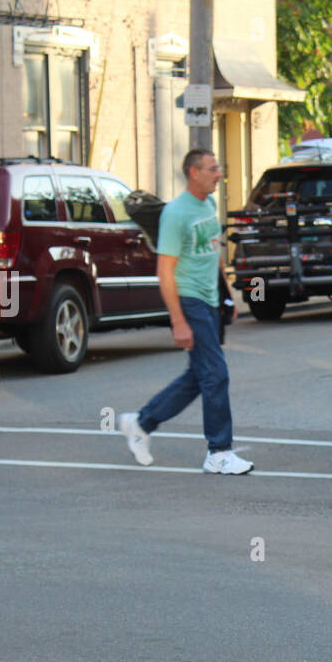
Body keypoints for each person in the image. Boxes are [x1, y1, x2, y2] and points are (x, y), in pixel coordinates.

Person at [118, 149, 253, 475]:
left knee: (199, 375)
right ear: (194, 172)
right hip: (189, 299)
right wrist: (178, 321)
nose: (219, 173)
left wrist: (228, 295)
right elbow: (165, 271)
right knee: (216, 374)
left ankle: (141, 422)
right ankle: (219, 451)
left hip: (209, 299)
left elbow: (214, 251)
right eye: (212, 168)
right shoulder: (176, 214)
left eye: (218, 167)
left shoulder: (207, 204)